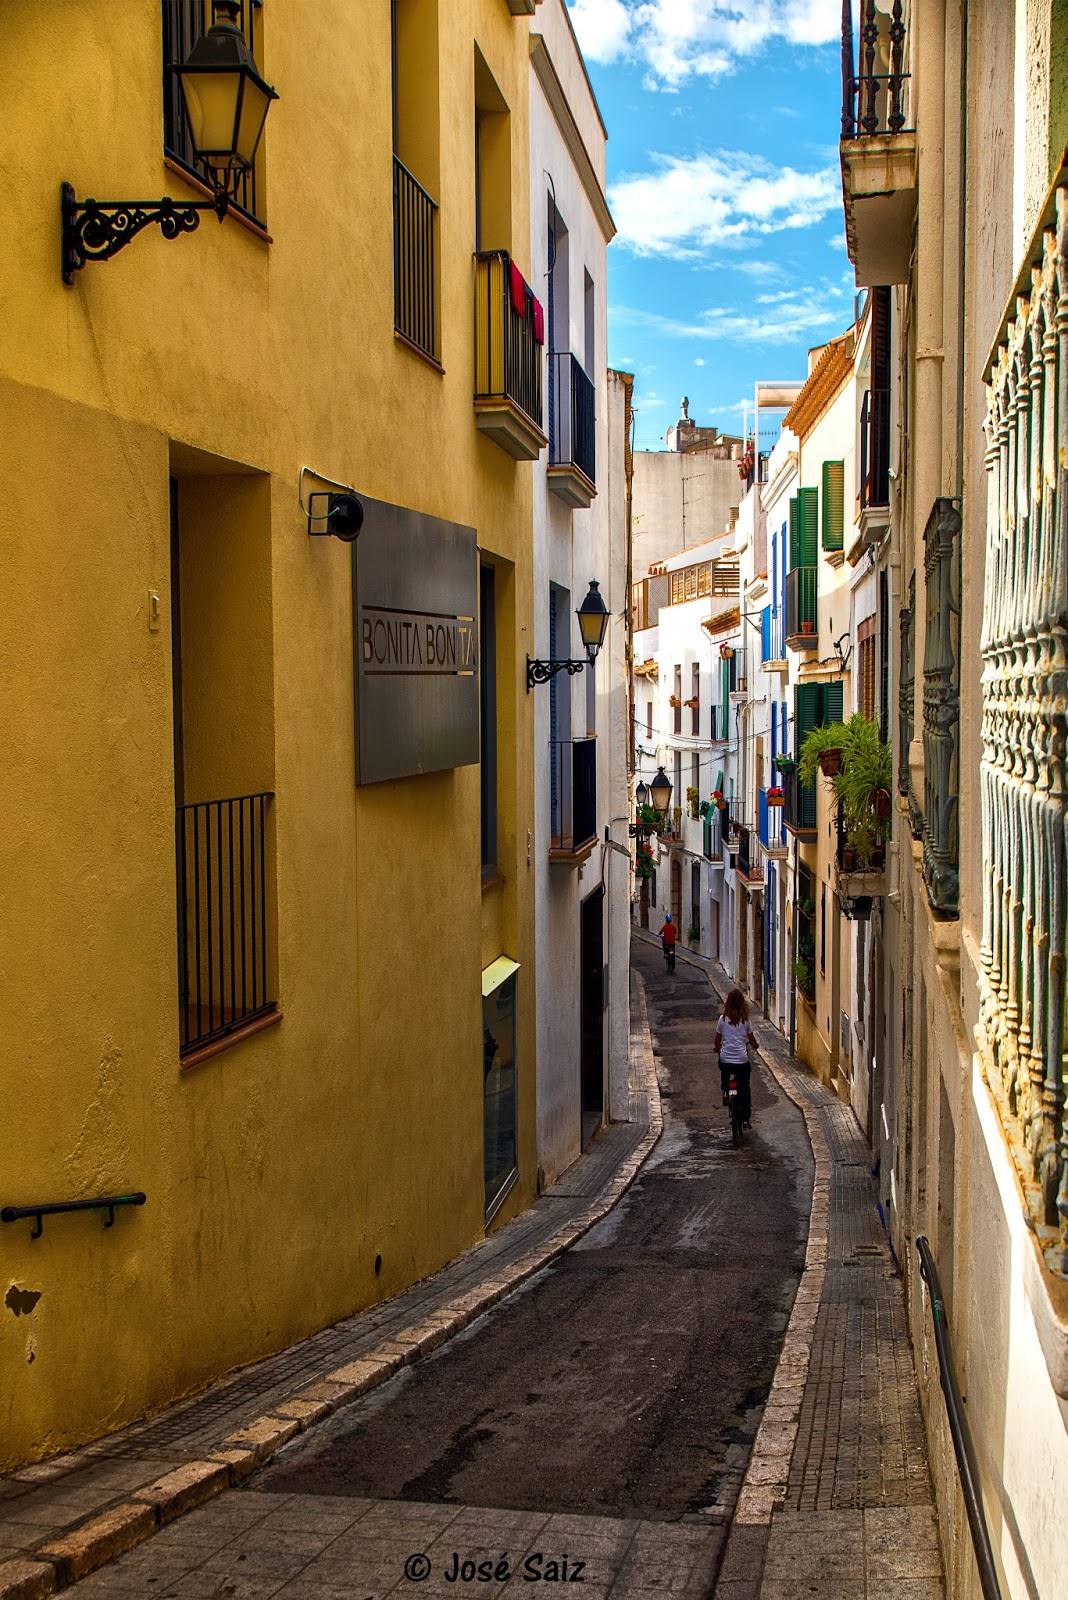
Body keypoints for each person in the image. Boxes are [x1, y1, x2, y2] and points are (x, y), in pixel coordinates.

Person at [714, 988, 757, 1127]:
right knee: (745, 1088)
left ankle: (726, 1092)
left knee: (724, 1071)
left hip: (726, 1059)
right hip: (741, 1060)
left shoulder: (722, 1019)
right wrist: (755, 1045)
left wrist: (717, 1048)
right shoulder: (745, 1021)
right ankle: (745, 1118)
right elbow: (751, 1039)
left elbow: (717, 1040)